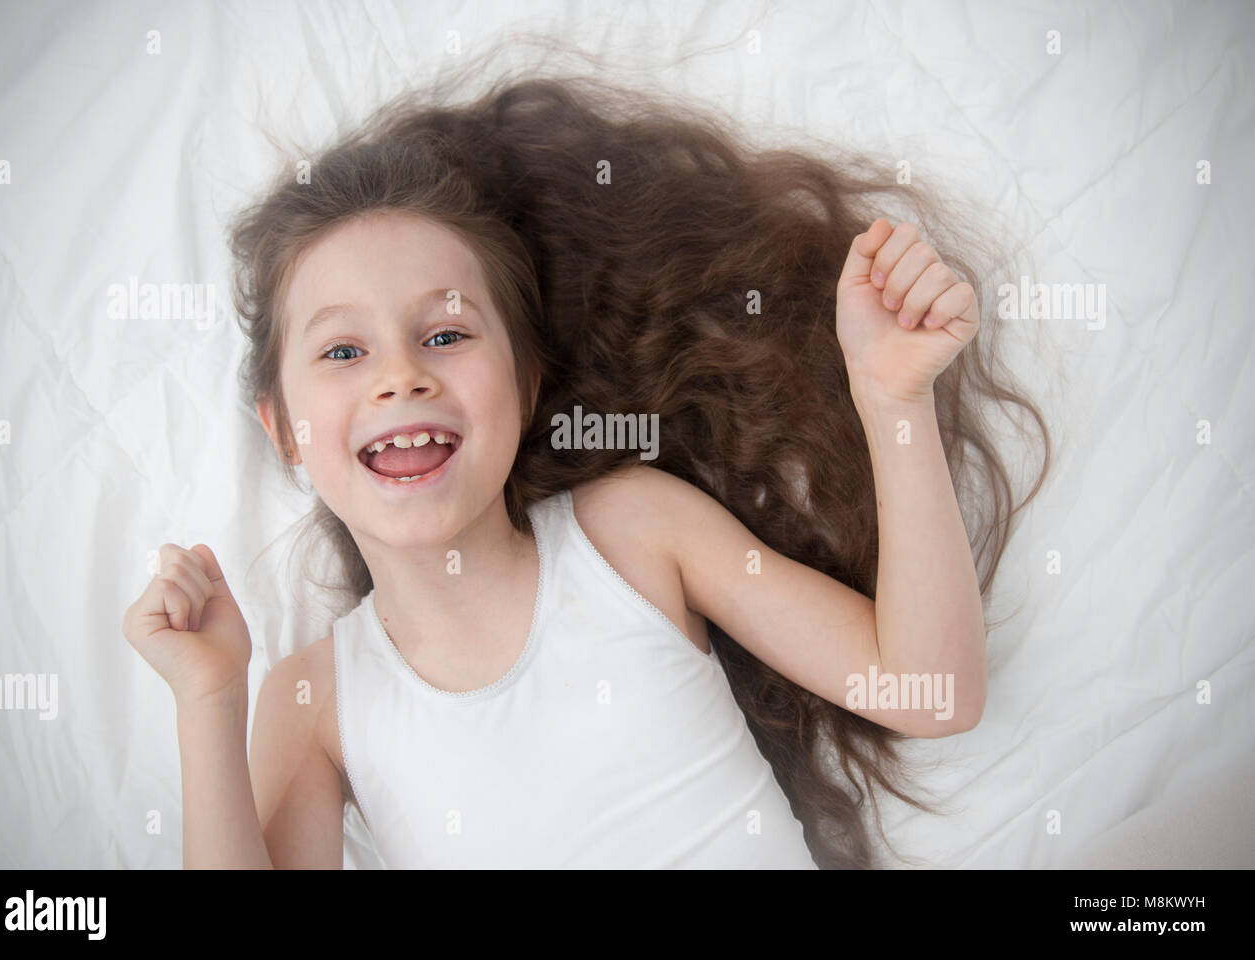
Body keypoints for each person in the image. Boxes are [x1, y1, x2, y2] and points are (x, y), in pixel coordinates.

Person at [121, 71, 1049, 869]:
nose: (401, 375)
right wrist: (208, 700)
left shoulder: (633, 531)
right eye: (341, 353)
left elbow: (935, 694)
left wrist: (892, 405)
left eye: (445, 334)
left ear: (524, 387)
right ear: (283, 431)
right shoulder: (314, 702)